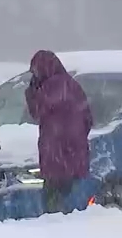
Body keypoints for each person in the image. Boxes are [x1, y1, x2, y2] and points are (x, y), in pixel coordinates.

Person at [24, 50, 93, 214]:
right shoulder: (71, 84)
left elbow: (36, 111)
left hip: (56, 153)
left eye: (35, 70)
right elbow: (88, 119)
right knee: (72, 201)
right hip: (74, 154)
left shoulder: (51, 87)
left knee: (53, 204)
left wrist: (31, 92)